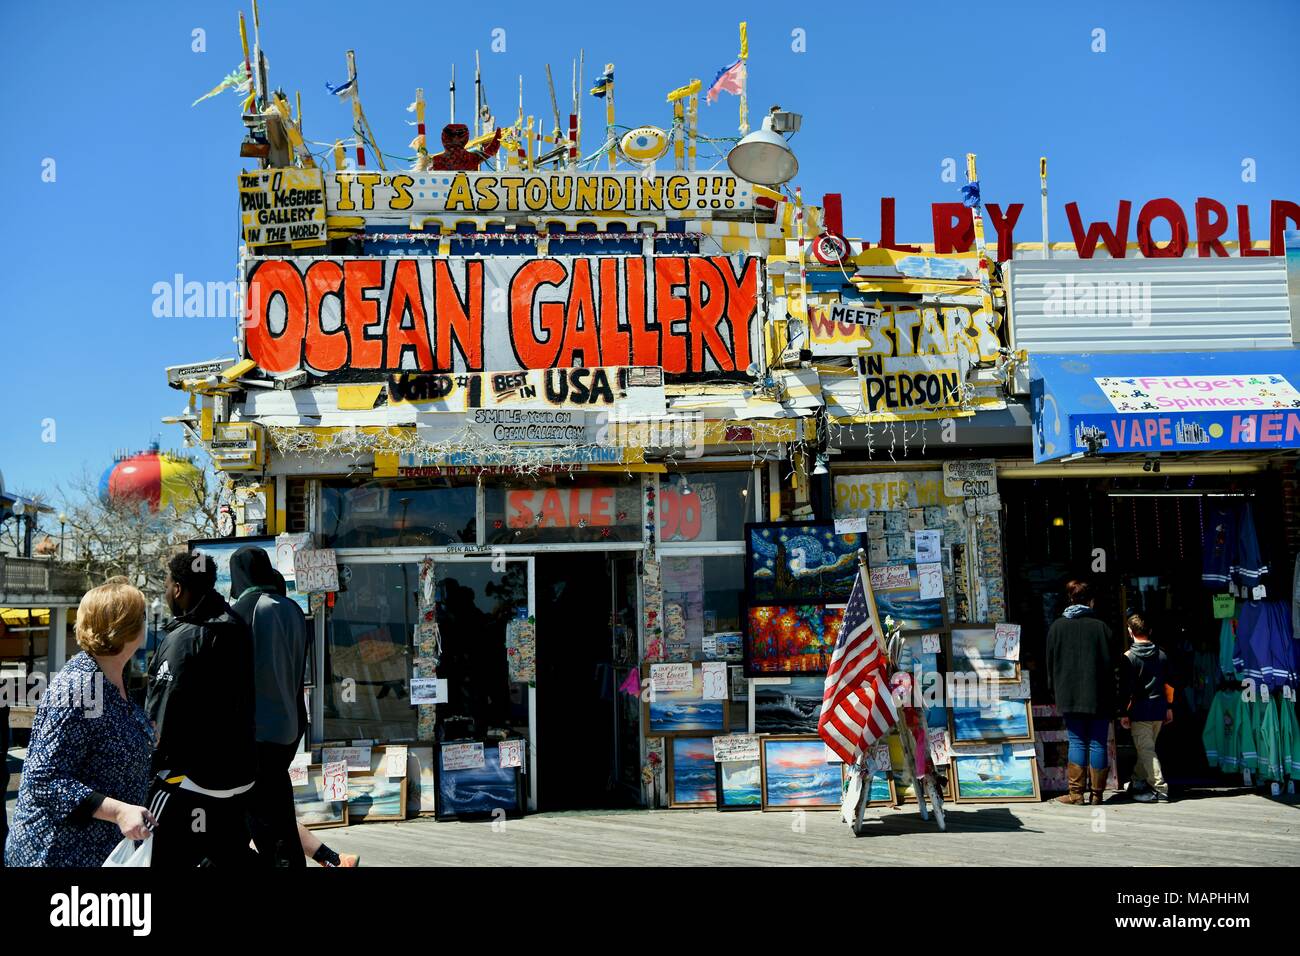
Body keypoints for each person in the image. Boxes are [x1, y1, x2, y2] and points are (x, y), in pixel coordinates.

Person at [5, 581, 155, 866]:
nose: (147, 624)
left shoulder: (110, 676)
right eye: (143, 616)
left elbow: (102, 739)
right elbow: (44, 779)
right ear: (126, 627)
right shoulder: (82, 686)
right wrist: (119, 811)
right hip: (58, 854)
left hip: (98, 849)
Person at [146, 550, 258, 867]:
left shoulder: (183, 639)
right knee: (223, 854)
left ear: (178, 588)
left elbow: (162, 716)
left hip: (190, 778)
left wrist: (150, 769)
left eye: (167, 584)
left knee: (166, 857)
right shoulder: (237, 626)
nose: (166, 591)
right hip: (238, 774)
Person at [228, 546, 309, 867]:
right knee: (279, 812)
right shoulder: (292, 608)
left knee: (263, 822)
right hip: (289, 728)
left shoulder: (244, 610)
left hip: (255, 734)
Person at [1045, 578, 1119, 805]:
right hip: (1099, 695)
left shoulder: (1057, 627)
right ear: (1091, 602)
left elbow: (1050, 663)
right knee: (1097, 742)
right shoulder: (1102, 628)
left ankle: (1076, 795)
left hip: (1069, 695)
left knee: (1077, 742)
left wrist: (1053, 691)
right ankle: (1097, 794)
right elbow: (1113, 665)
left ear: (1070, 599)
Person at [1120, 613, 1173, 803]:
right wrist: (1169, 707)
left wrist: (1123, 712)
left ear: (1129, 632)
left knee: (1146, 750)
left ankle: (1160, 788)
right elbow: (1169, 684)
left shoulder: (1128, 657)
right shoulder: (1162, 654)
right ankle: (1136, 780)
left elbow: (1125, 689)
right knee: (1147, 749)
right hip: (1158, 707)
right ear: (1149, 631)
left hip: (1139, 709)